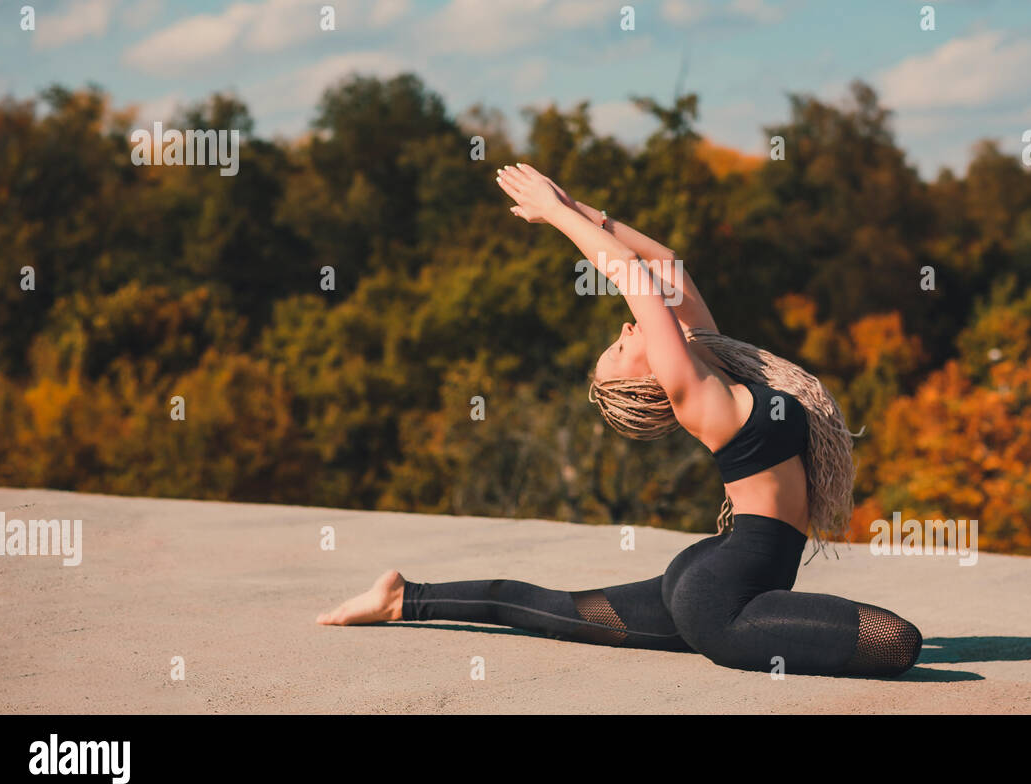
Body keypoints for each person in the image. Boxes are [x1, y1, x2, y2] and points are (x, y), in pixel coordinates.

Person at [317, 163, 923, 677]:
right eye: (619, 346)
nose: (626, 328)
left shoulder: (713, 363)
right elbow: (631, 279)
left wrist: (574, 205)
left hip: (715, 573)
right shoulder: (697, 396)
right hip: (721, 603)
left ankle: (403, 597)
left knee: (551, 609)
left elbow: (666, 268)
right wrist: (556, 218)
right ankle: (401, 599)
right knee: (898, 643)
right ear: (645, 379)